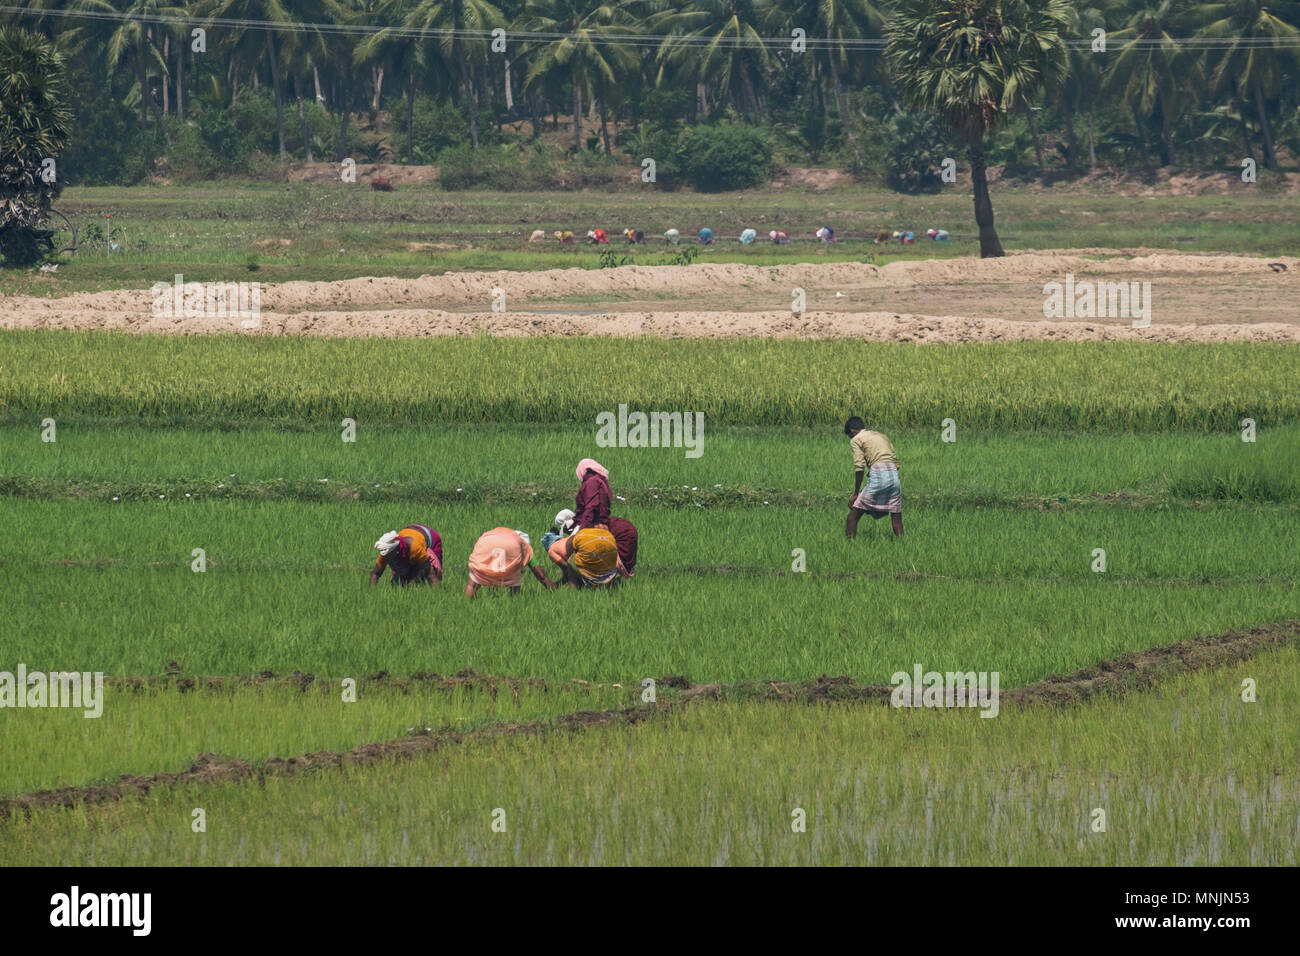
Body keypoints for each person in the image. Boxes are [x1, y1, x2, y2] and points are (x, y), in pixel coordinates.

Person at [844, 417, 902, 539]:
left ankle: (849, 548)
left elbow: (859, 467)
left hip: (879, 475)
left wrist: (855, 494)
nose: (851, 438)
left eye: (850, 435)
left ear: (853, 431)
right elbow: (896, 464)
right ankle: (903, 544)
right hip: (894, 476)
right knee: (896, 517)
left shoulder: (856, 439)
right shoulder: (882, 436)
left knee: (853, 516)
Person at [465, 527, 556, 598]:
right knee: (514, 577)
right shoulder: (524, 547)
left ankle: (466, 604)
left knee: (473, 582)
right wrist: (555, 591)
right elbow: (541, 575)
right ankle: (514, 603)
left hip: (486, 540)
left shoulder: (502, 533)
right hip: (510, 544)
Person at [371, 524, 443, 588]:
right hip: (410, 531)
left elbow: (426, 567)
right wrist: (372, 592)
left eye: (390, 556)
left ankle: (438, 595)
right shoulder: (386, 552)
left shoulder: (414, 547)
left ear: (396, 550)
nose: (387, 558)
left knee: (431, 573)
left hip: (429, 536)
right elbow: (375, 573)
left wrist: (414, 582)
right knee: (402, 579)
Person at [556, 526, 622, 589]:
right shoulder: (608, 534)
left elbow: (572, 549)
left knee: (571, 561)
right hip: (610, 572)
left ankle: (574, 590)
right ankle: (613, 589)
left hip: (590, 575)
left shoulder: (581, 535)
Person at [574, 458, 611, 529]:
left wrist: (582, 529)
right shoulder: (601, 481)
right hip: (600, 523)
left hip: (593, 524)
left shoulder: (591, 483)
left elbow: (591, 507)